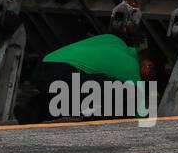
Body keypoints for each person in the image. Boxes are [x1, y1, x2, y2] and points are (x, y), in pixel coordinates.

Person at [14, 21, 144, 124]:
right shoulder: (128, 61)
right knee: (121, 91)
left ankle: (32, 111)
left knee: (69, 94)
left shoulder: (105, 40)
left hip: (43, 67)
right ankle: (94, 123)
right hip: (63, 72)